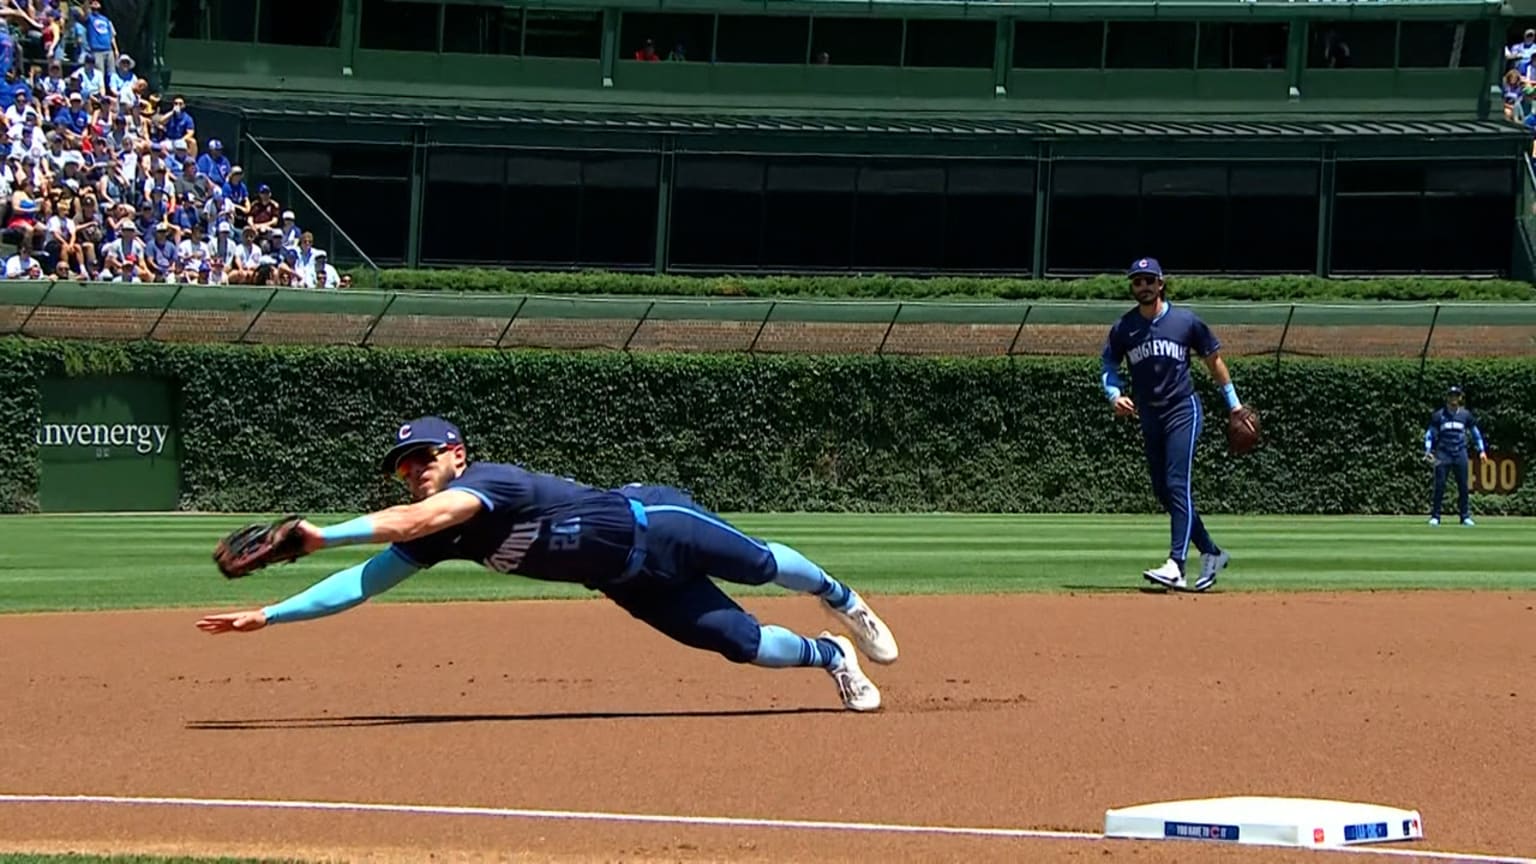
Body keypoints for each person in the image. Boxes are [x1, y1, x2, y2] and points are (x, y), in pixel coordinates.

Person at [195, 416, 899, 712]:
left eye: (424, 457)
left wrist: (321, 533)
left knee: (761, 564)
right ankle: (830, 655)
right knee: (740, 645)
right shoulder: (438, 536)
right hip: (629, 585)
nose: (412, 470)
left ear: (457, 455)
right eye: (403, 465)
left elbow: (413, 519)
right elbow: (364, 582)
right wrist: (271, 613)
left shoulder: (489, 483)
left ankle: (841, 597)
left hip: (657, 526)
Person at [1099, 257, 1244, 592]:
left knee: (1177, 483)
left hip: (1183, 409)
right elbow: (1108, 362)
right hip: (1149, 414)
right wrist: (1113, 394)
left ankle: (1176, 565)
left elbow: (1214, 361)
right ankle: (1210, 552)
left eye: (1150, 280)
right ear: (1132, 287)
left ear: (1161, 284)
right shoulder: (1124, 328)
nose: (1144, 286)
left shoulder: (1185, 321)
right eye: (1138, 281)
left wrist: (1234, 406)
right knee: (1163, 491)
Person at [1424, 385, 1488, 527]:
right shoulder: (1439, 415)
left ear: (1460, 398)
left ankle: (1465, 516)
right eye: (1451, 395)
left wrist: (1481, 451)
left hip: (1460, 452)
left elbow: (1475, 434)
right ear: (1447, 397)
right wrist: (1428, 450)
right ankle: (1435, 516)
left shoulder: (1466, 415)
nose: (1454, 398)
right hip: (1442, 453)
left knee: (1463, 486)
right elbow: (1429, 434)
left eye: (1456, 395)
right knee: (1439, 485)